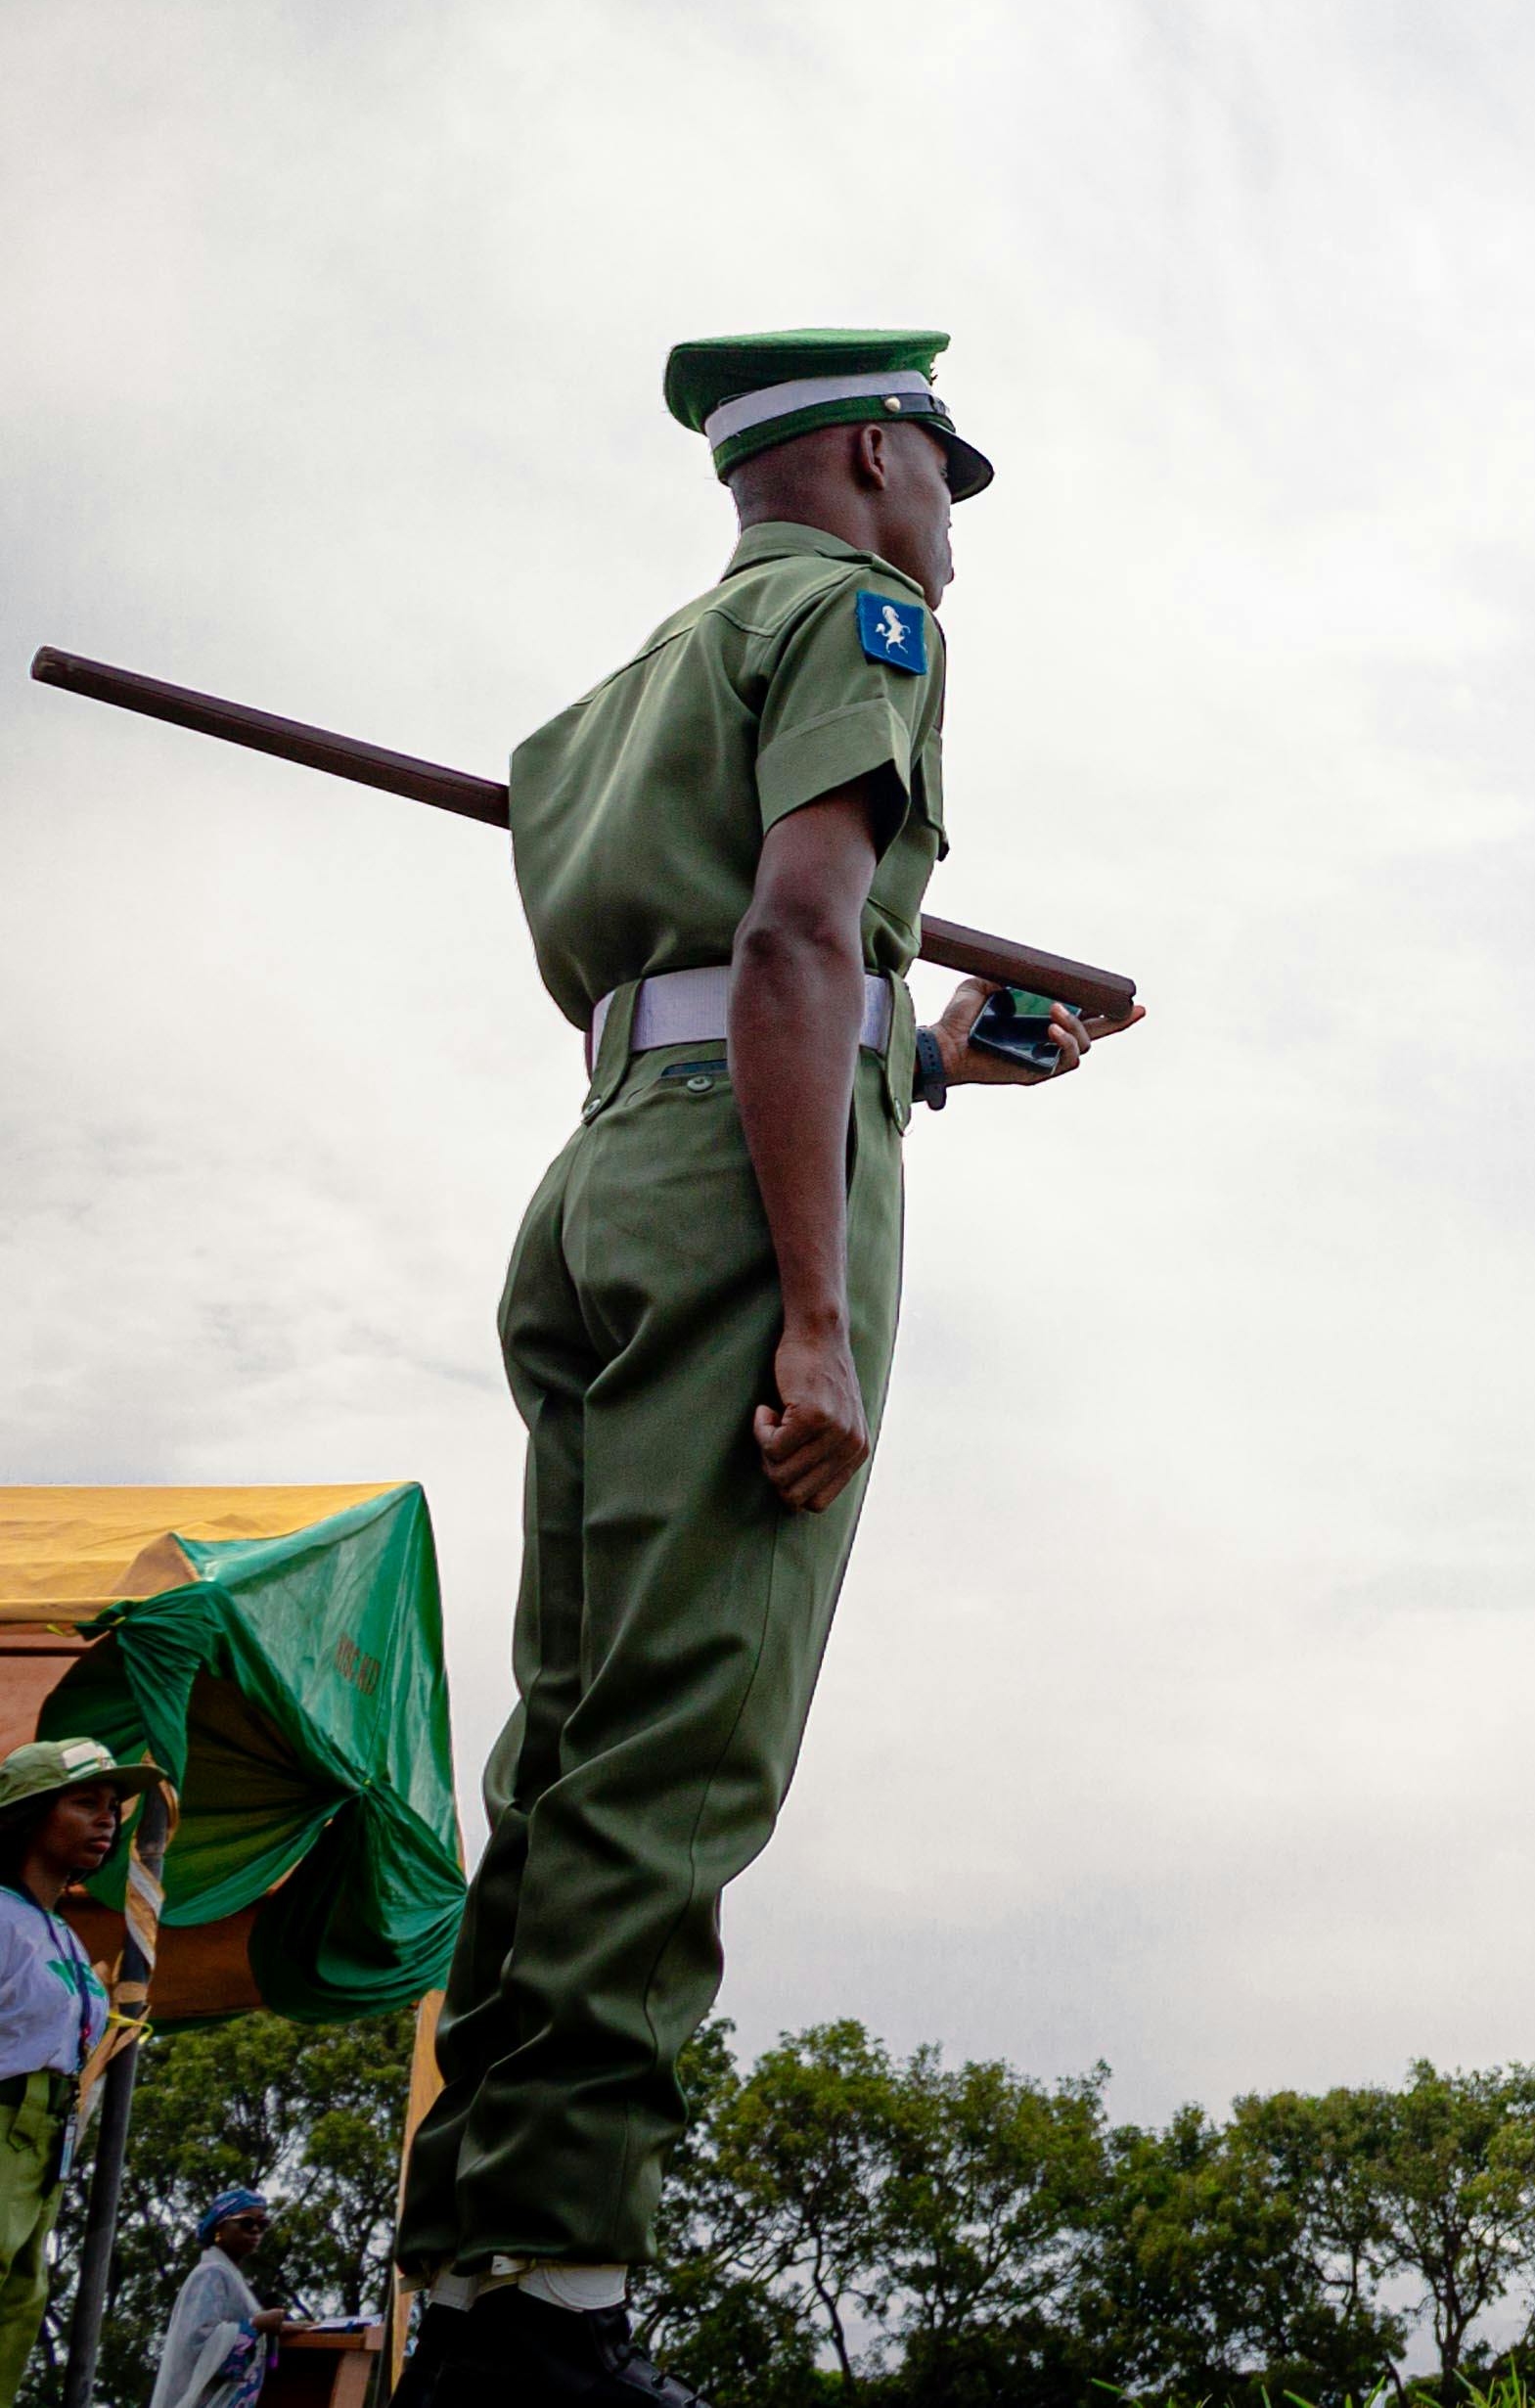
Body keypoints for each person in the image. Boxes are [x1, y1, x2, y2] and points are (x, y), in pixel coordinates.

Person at [393, 333, 1140, 2408]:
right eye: (946, 475)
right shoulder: (858, 614)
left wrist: (928, 1043)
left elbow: (731, 974)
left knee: (567, 1749)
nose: (953, 527)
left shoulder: (636, 679)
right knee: (684, 1738)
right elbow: (806, 937)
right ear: (878, 449)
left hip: (615, 1165)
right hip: (744, 1191)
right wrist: (814, 1311)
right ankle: (553, 2304)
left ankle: (468, 2280)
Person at [0, 1741, 141, 2408]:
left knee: (16, 2315)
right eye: (84, 1802)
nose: (107, 1819)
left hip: (45, 2149)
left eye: (112, 1807)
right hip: (5, 2120)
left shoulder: (66, 1936)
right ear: (26, 1816)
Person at [148, 2193, 286, 2408]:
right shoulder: (210, 2274)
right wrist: (257, 2325)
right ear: (220, 2228)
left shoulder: (232, 2277)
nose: (256, 2230)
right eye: (246, 2223)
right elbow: (196, 2344)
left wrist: (281, 2328)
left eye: (262, 2224)